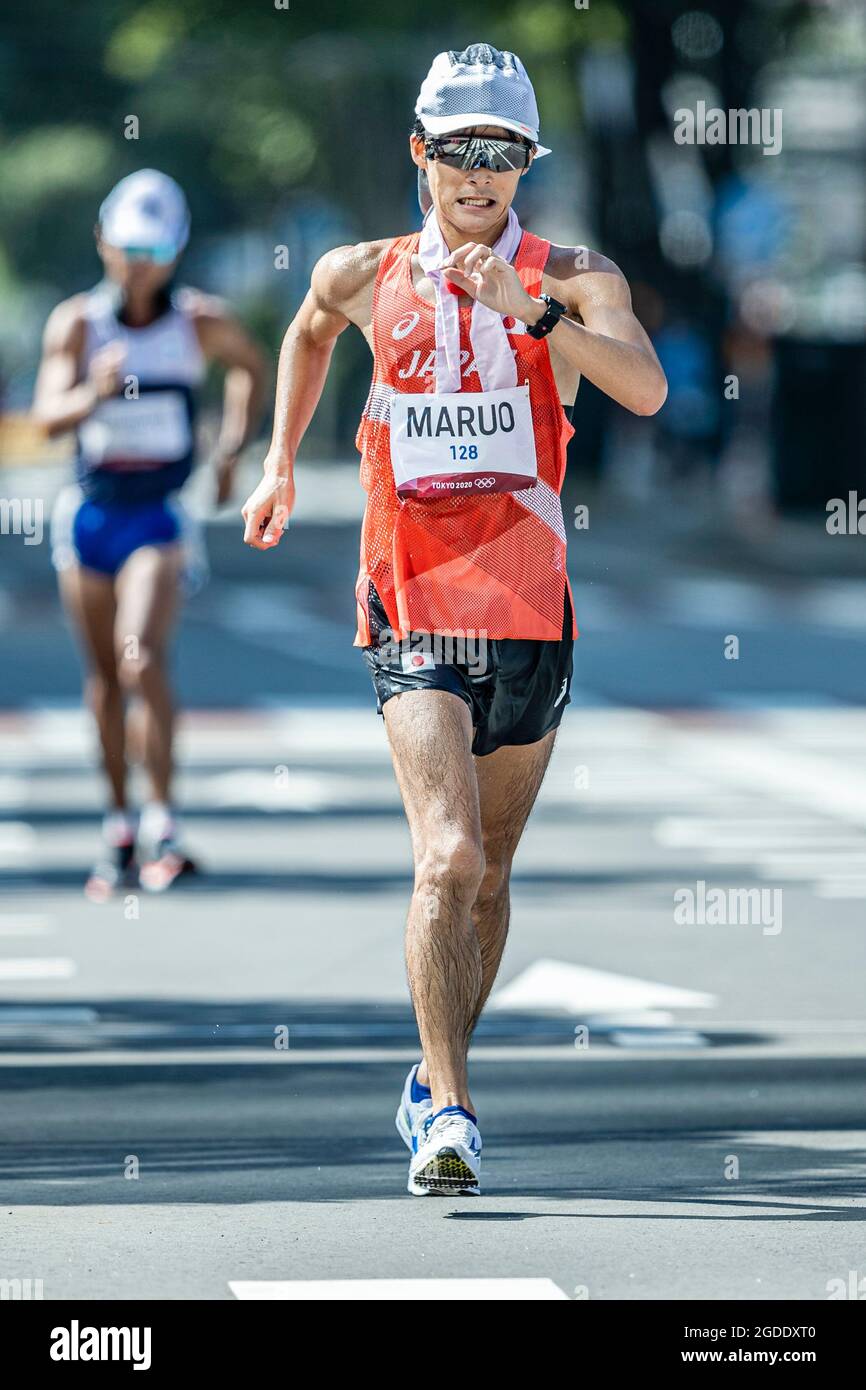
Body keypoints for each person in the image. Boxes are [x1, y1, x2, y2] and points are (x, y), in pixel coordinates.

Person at [242, 44, 667, 1194]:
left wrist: (529, 314)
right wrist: (278, 464)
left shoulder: (573, 273)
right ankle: (453, 1115)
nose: (480, 175)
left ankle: (435, 1075)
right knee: (447, 854)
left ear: (524, 161)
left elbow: (642, 386)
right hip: (410, 596)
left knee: (489, 877)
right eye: (458, 151)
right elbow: (307, 330)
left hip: (529, 604)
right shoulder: (363, 269)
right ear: (420, 154)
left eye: (504, 153)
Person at [33, 169, 266, 899]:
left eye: (156, 246)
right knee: (104, 678)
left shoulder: (199, 320)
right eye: (129, 244)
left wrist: (230, 453)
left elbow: (252, 369)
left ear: (177, 249)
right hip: (91, 512)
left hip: (159, 516)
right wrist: (91, 394)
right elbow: (44, 416)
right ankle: (118, 823)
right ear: (103, 242)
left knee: (141, 660)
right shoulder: (77, 322)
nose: (141, 260)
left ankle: (162, 817)